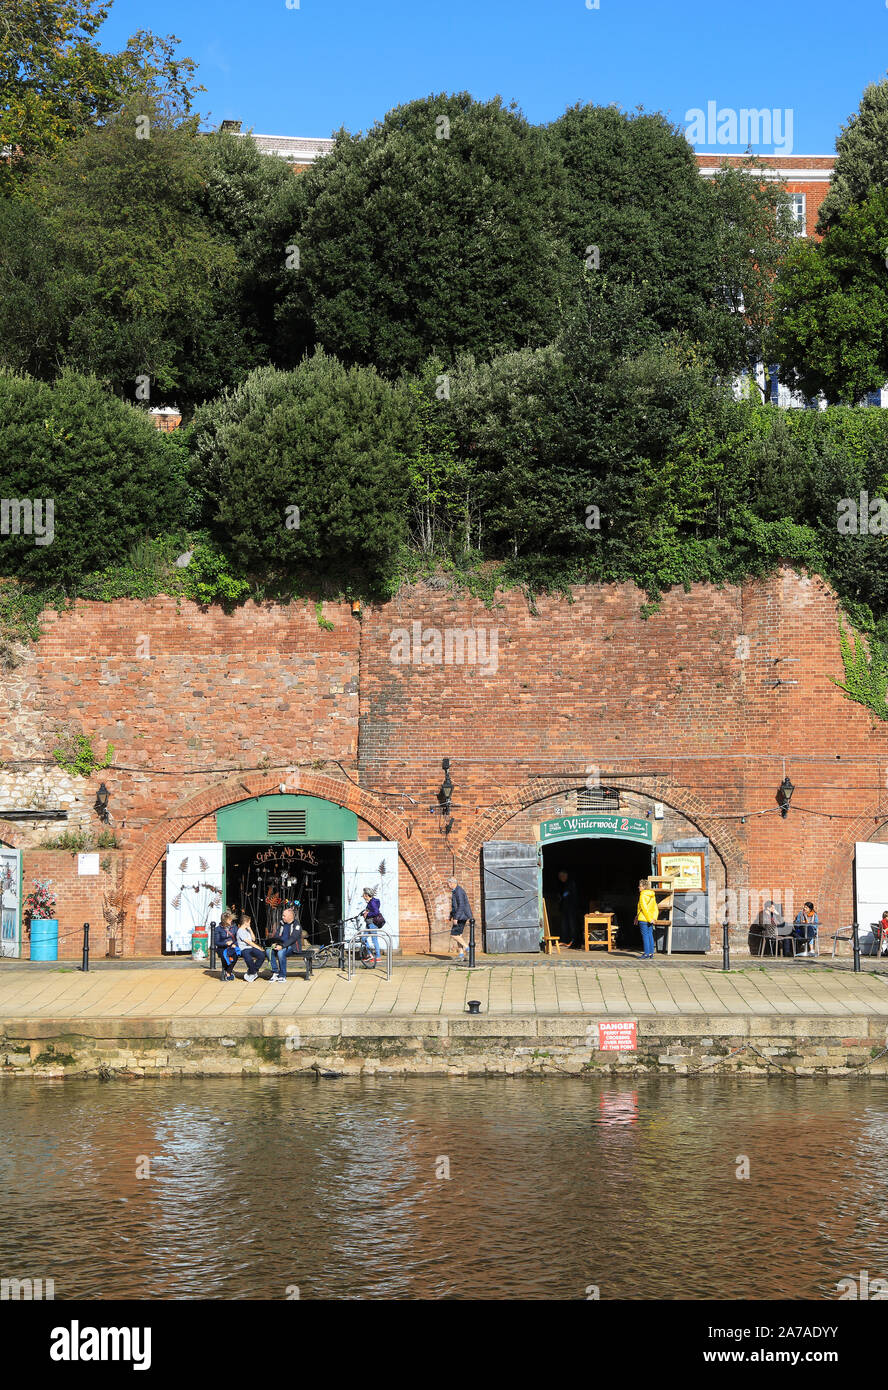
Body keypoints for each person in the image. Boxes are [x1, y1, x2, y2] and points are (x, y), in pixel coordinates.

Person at [268, 905, 303, 981]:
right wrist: (274, 943)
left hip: (292, 947)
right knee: (268, 951)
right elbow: (277, 935)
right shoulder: (281, 924)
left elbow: (293, 939)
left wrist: (282, 946)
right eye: (282, 915)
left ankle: (282, 975)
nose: (282, 917)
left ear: (290, 916)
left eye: (284, 916)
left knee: (281, 952)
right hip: (281, 945)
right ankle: (275, 972)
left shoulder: (297, 925)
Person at [635, 878, 662, 960]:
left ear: (643, 887)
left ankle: (646, 953)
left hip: (644, 919)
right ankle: (651, 953)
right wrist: (654, 918)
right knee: (650, 935)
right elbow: (655, 908)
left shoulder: (643, 895)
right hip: (650, 919)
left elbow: (644, 908)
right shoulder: (652, 895)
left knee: (645, 936)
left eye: (640, 886)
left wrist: (649, 918)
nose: (638, 887)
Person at [236, 914, 266, 982]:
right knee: (249, 959)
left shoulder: (247, 930)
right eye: (249, 922)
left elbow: (254, 939)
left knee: (261, 956)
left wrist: (250, 929)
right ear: (245, 922)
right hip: (244, 949)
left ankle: (252, 972)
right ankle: (253, 973)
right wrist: (258, 947)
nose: (250, 923)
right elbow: (249, 942)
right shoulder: (240, 931)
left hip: (251, 947)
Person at [448, 877, 472, 961]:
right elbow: (455, 906)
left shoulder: (458, 891)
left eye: (449, 883)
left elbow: (461, 905)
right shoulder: (456, 891)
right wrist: (451, 915)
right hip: (460, 916)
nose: (448, 885)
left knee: (454, 934)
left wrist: (456, 918)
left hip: (461, 916)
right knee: (459, 935)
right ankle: (461, 954)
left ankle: (467, 948)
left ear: (452, 883)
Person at [557, 870, 581, 948]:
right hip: (565, 908)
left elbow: (569, 895)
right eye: (560, 877)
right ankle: (565, 940)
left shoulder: (571, 883)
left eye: (562, 876)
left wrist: (563, 897)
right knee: (564, 924)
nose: (561, 878)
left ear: (566, 875)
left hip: (571, 907)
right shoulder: (562, 884)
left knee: (572, 924)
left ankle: (573, 941)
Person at [360, 887, 384, 962]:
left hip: (372, 924)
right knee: (363, 939)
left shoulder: (372, 902)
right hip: (368, 923)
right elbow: (371, 911)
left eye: (363, 895)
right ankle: (370, 955)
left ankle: (378, 957)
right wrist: (364, 914)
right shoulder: (371, 902)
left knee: (374, 939)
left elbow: (376, 912)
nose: (363, 896)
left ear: (367, 895)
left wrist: (368, 914)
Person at [215, 911, 238, 982]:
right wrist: (226, 943)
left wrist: (234, 944)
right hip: (222, 947)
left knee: (236, 954)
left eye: (231, 919)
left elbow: (238, 938)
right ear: (224, 920)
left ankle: (228, 972)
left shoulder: (234, 927)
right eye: (229, 919)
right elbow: (217, 942)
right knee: (224, 955)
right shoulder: (218, 929)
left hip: (233, 946)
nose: (231, 920)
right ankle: (228, 973)